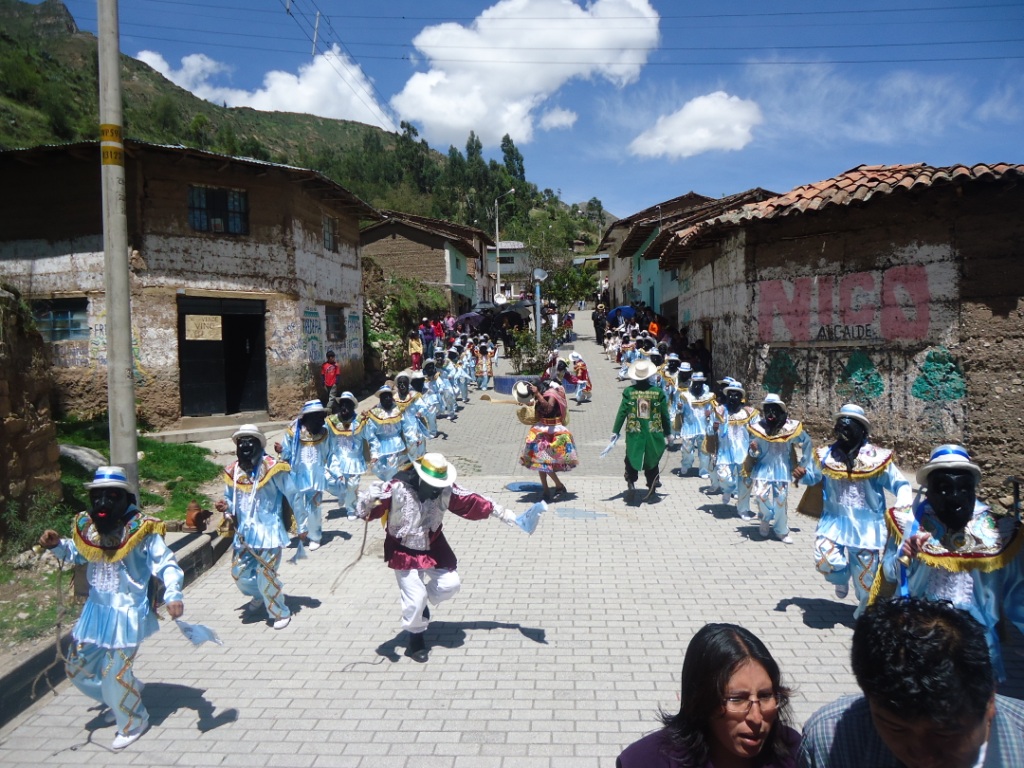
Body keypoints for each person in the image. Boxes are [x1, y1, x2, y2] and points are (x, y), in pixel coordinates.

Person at [37, 466, 185, 750]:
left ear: (126, 498)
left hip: (127, 613)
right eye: (97, 497)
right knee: (77, 669)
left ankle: (133, 720)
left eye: (111, 497)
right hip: (96, 612)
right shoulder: (88, 525)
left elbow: (165, 562)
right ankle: (119, 696)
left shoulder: (143, 529)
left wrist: (174, 593)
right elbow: (78, 553)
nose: (102, 504)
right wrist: (57, 545)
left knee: (114, 673)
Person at [798, 597, 1024, 768]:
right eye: (896, 728)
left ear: (989, 701)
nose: (922, 756)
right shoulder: (831, 740)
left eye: (943, 733)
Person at [354, 453, 538, 662]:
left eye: (439, 485)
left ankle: (421, 603)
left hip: (433, 546)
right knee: (414, 601)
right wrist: (369, 500)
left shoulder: (445, 489)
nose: (436, 490)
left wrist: (510, 516)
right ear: (420, 478)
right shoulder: (395, 488)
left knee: (450, 584)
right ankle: (415, 640)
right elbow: (367, 513)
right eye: (432, 485)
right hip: (403, 549)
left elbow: (473, 501)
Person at [871, 444, 1024, 682]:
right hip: (923, 631)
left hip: (977, 637)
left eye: (964, 489)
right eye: (943, 488)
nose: (954, 498)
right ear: (928, 491)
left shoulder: (998, 532)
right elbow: (890, 574)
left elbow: (1017, 594)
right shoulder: (910, 524)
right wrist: (906, 554)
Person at [617, 623, 798, 768]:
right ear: (702, 700)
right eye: (737, 699)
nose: (756, 718)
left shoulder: (795, 753)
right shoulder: (643, 761)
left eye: (765, 696)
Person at [801, 403, 912, 615]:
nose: (842, 429)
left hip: (866, 529)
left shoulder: (876, 459)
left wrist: (903, 505)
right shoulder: (826, 456)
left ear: (861, 430)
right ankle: (841, 578)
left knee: (866, 585)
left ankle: (863, 617)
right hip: (833, 522)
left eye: (848, 425)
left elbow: (901, 483)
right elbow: (813, 477)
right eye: (839, 424)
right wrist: (801, 474)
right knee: (825, 560)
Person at [215, 425, 298, 630]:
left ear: (260, 445)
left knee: (265, 575)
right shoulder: (232, 471)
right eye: (241, 443)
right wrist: (226, 507)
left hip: (270, 533)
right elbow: (230, 498)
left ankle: (280, 611)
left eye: (250, 442)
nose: (245, 446)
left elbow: (293, 494)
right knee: (239, 574)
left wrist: (302, 524)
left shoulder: (273, 468)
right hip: (244, 534)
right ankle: (260, 595)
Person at [745, 394, 814, 545]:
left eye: (774, 410)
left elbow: (807, 441)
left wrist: (803, 464)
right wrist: (753, 450)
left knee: (781, 500)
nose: (771, 413)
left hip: (782, 469)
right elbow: (753, 452)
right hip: (763, 468)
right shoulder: (758, 428)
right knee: (760, 495)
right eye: (768, 410)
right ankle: (766, 517)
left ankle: (781, 530)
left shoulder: (790, 428)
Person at [274, 399, 330, 551]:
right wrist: (281, 450)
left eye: (321, 416)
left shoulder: (324, 431)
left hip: (317, 475)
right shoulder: (294, 431)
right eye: (317, 416)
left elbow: (329, 452)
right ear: (308, 417)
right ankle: (302, 530)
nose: (320, 420)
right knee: (298, 504)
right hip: (297, 474)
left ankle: (315, 536)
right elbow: (287, 452)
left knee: (314, 506)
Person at [612, 359, 672, 501]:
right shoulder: (658, 392)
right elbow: (664, 415)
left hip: (635, 431)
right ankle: (652, 484)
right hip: (653, 431)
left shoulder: (629, 392)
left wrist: (615, 431)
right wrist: (668, 433)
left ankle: (631, 481)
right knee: (652, 457)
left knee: (631, 455)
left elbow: (622, 412)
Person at [519, 379, 579, 501]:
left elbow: (548, 409)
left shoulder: (552, 393)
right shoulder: (541, 394)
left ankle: (557, 486)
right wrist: (528, 403)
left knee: (544, 462)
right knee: (540, 462)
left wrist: (537, 394)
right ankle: (547, 489)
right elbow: (539, 409)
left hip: (555, 432)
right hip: (541, 431)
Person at [713, 379, 756, 517]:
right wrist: (712, 427)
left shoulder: (749, 413)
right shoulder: (720, 411)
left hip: (744, 453)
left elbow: (757, 431)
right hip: (725, 452)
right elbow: (710, 429)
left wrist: (755, 445)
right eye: (730, 394)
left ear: (741, 396)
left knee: (745, 482)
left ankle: (743, 509)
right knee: (724, 477)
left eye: (736, 394)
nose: (733, 397)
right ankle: (728, 489)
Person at [362, 384, 422, 480]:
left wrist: (414, 438)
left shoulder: (397, 411)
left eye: (389, 396)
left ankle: (391, 484)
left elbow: (406, 427)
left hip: (396, 445)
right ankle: (389, 483)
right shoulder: (374, 414)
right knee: (377, 468)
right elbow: (371, 436)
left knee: (392, 469)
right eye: (384, 396)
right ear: (380, 399)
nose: (387, 399)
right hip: (380, 447)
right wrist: (374, 453)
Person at [325, 391, 367, 517]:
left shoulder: (360, 421)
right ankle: (343, 493)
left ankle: (351, 509)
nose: (344, 407)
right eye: (342, 404)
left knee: (352, 484)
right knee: (328, 481)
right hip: (337, 458)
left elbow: (370, 436)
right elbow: (322, 436)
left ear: (352, 407)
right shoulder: (331, 421)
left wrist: (368, 419)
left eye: (347, 404)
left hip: (354, 459)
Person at [678, 371, 717, 483]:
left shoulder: (708, 397)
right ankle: (686, 464)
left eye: (699, 383)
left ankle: (704, 471)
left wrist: (710, 414)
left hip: (703, 428)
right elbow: (679, 411)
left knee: (704, 451)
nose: (697, 385)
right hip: (689, 427)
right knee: (686, 449)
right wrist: (679, 407)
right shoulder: (685, 396)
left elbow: (714, 412)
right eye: (695, 383)